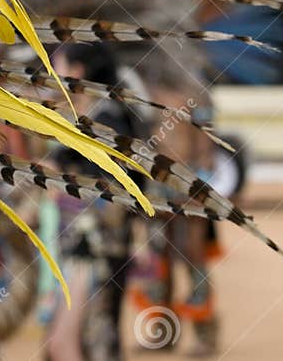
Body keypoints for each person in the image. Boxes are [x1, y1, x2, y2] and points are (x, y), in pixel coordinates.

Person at [45, 42, 138, 361]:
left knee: (84, 341)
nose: (51, 74)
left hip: (95, 249)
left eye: (57, 66)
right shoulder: (79, 114)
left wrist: (64, 184)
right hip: (78, 246)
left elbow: (116, 191)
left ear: (77, 72)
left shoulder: (107, 119)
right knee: (75, 342)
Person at [131, 75, 220, 356]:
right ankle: (163, 333)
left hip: (188, 184)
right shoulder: (141, 90)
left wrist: (200, 184)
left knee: (193, 258)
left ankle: (205, 337)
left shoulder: (194, 94)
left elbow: (207, 146)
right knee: (160, 261)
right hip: (157, 187)